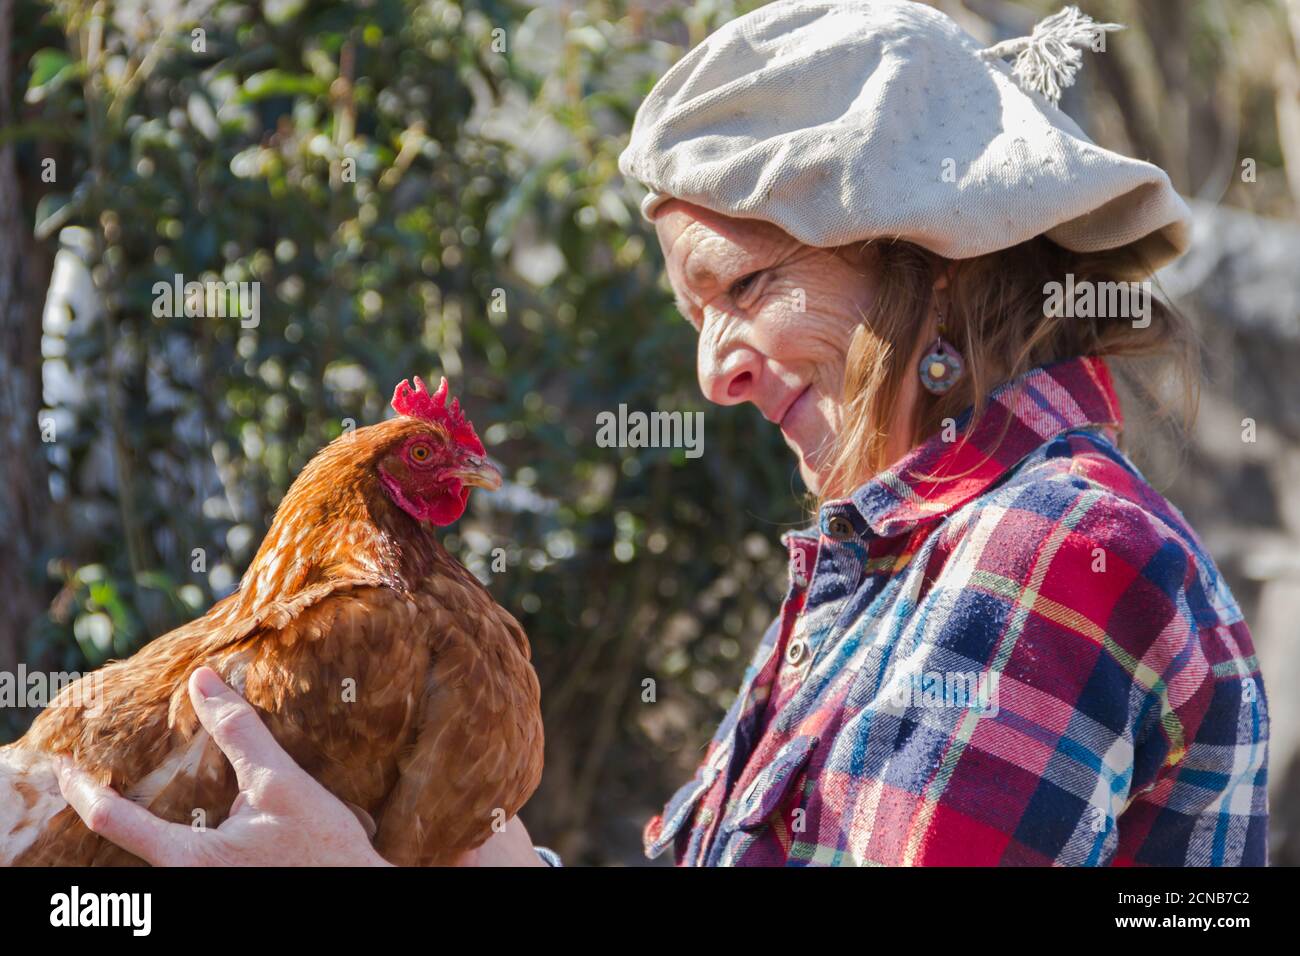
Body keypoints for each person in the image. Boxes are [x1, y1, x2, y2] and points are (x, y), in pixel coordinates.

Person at [58, 0, 1269, 866]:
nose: (715, 372)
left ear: (932, 269)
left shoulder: (1053, 555)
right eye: (695, 315)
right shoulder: (894, 563)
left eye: (743, 287)